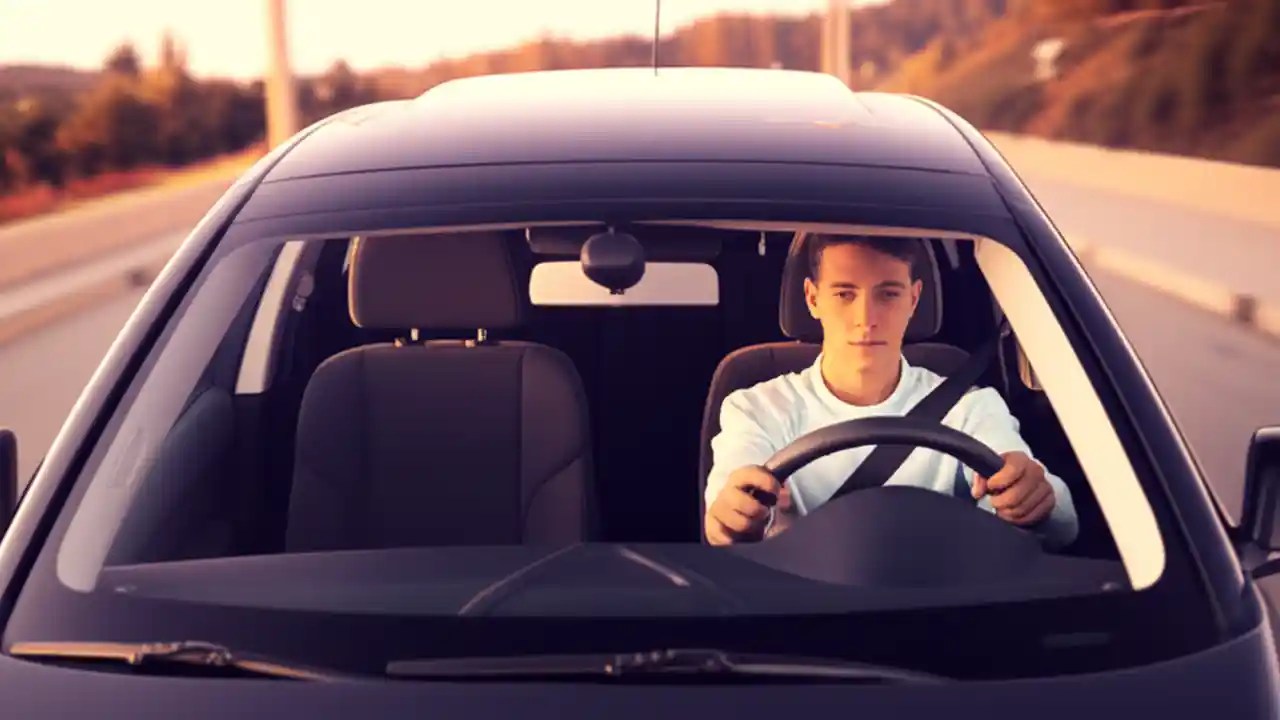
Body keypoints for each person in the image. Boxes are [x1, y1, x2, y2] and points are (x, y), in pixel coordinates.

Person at [703, 233, 1078, 549]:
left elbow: (1062, 523)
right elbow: (723, 511)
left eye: (888, 294)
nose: (866, 318)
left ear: (914, 299)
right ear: (813, 299)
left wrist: (1037, 499)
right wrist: (733, 515)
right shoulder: (755, 407)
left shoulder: (970, 407)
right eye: (845, 294)